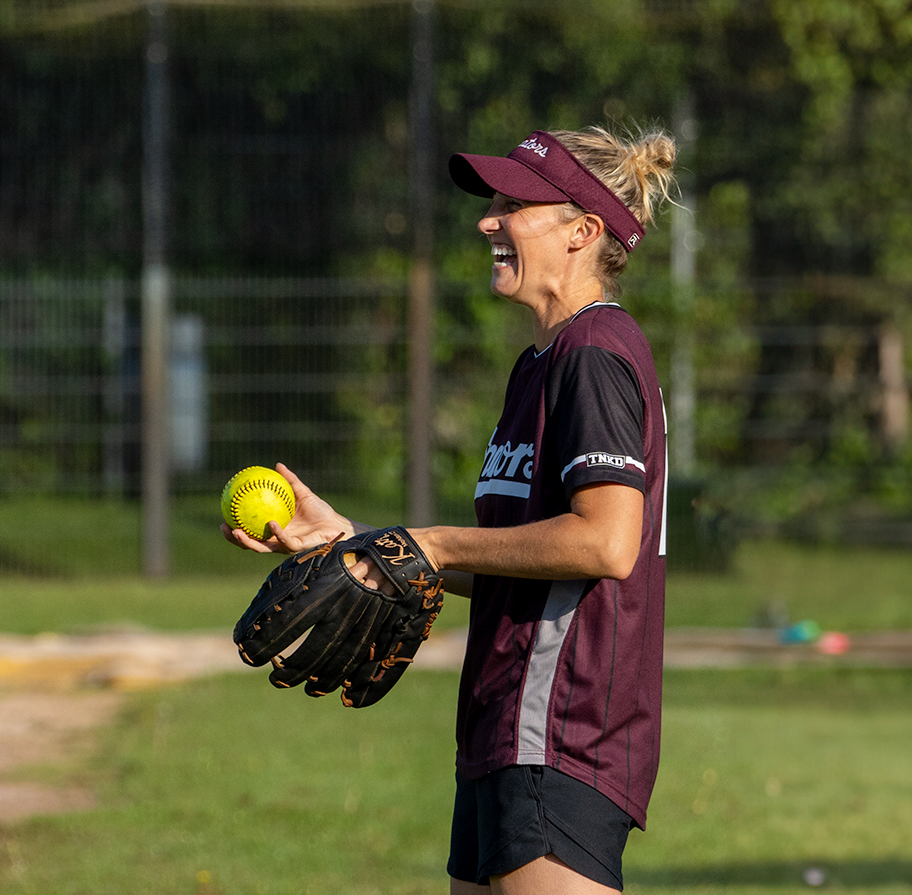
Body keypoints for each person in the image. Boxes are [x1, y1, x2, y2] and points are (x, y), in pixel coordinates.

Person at [223, 125, 677, 894]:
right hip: (509, 729)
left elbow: (605, 543)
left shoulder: (595, 354)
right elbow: (516, 556)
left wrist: (430, 542)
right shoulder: (541, 364)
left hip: (559, 730)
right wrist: (358, 543)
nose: (488, 221)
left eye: (514, 204)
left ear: (583, 231)